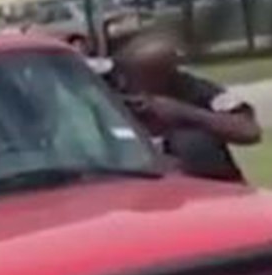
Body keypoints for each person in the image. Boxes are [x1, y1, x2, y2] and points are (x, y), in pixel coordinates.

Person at [111, 33, 261, 183]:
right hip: (144, 186)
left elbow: (249, 131)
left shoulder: (192, 88)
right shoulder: (110, 98)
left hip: (211, 183)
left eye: (152, 75)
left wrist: (184, 112)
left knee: (191, 141)